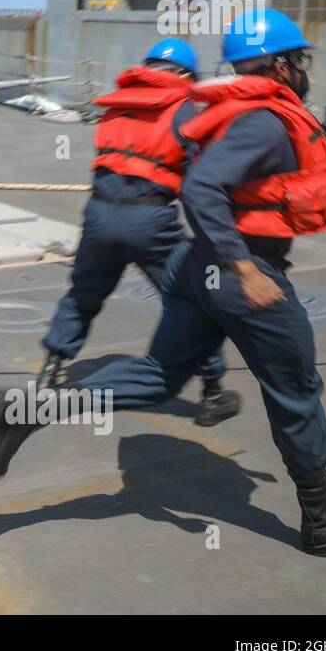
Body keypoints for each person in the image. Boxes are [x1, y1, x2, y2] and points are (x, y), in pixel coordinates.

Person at [0, 9, 326, 557]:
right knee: (295, 389)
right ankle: (324, 517)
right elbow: (203, 189)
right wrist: (245, 269)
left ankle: (26, 411)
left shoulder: (235, 112)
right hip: (241, 273)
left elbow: (264, 194)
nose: (304, 69)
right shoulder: (266, 120)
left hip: (193, 266)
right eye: (300, 60)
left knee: (158, 377)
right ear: (280, 65)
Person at [42, 38, 239, 426]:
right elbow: (200, 177)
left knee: (83, 295)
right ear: (184, 75)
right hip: (150, 221)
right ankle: (213, 393)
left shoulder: (116, 104)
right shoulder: (185, 111)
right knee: (194, 300)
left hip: (98, 213)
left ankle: (48, 377)